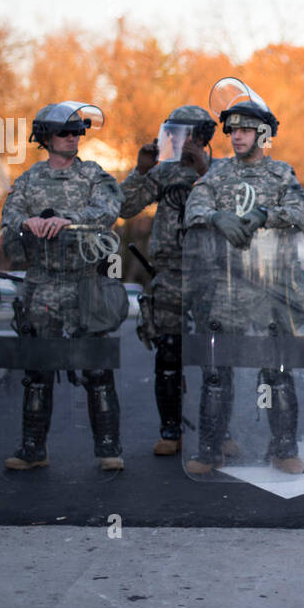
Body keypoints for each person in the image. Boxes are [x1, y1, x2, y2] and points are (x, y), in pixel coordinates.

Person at [181, 79, 304, 475]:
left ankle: (284, 447)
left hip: (271, 289)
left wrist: (265, 216)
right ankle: (210, 448)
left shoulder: (281, 174)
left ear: (263, 133)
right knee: (217, 372)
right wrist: (214, 216)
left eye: (245, 130)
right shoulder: (216, 175)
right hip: (223, 291)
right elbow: (192, 211)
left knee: (278, 370)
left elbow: (302, 212)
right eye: (232, 130)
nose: (237, 136)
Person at [1, 102, 126, 472]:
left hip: (84, 283)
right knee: (38, 371)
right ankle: (32, 448)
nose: (72, 138)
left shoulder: (93, 175)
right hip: (42, 284)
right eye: (63, 132)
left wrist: (69, 220)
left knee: (97, 368)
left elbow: (108, 208)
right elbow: (10, 220)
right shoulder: (28, 179)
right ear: (45, 138)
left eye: (76, 132)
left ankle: (108, 448)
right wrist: (29, 223)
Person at [120, 105, 216, 456]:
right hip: (169, 274)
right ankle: (170, 429)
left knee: (215, 356)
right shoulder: (165, 173)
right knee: (168, 354)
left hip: (210, 275)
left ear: (203, 137)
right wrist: (141, 171)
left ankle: (217, 430)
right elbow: (125, 208)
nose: (180, 141)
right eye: (174, 134)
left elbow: (231, 204)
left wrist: (203, 168)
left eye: (188, 134)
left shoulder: (220, 171)